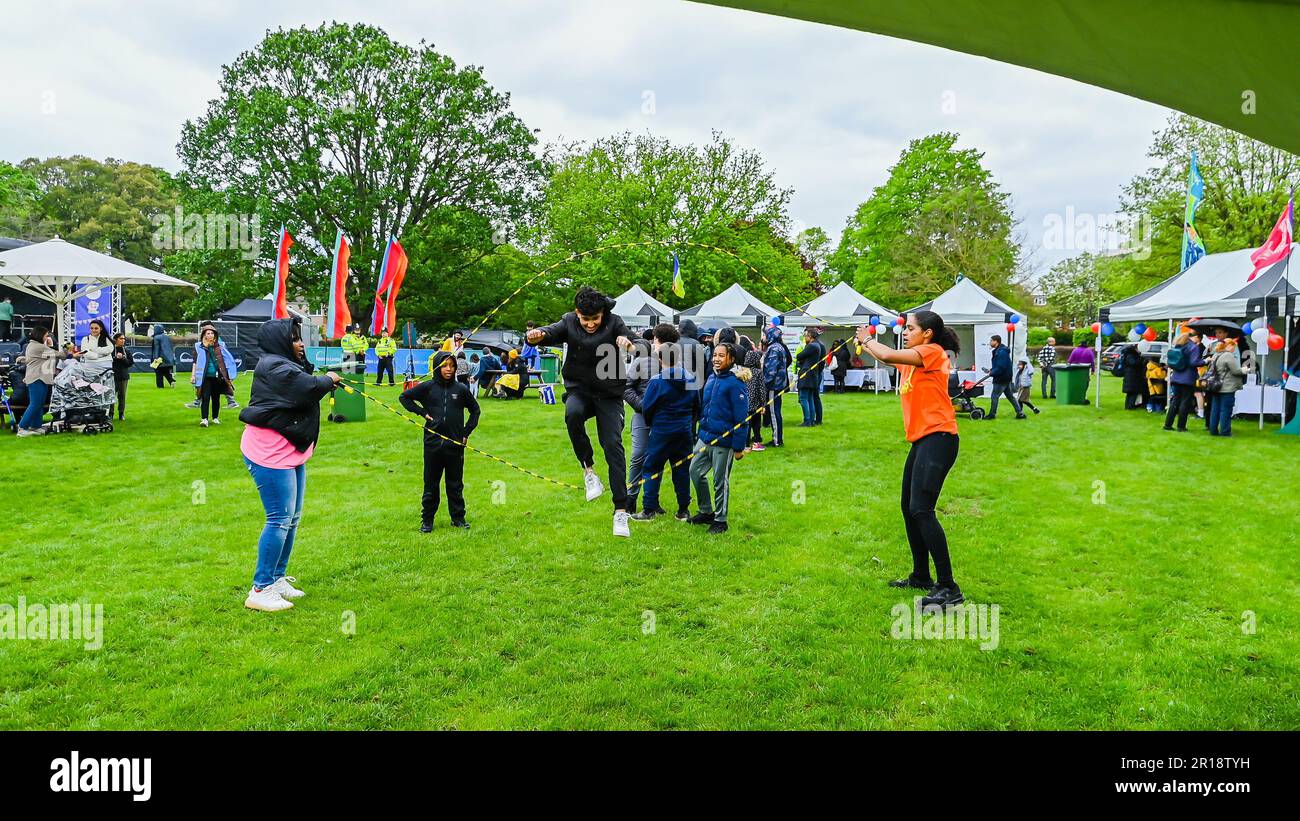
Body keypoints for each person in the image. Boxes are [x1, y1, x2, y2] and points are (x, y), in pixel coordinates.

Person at [855, 312, 964, 609]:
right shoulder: (912, 359)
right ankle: (920, 576)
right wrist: (866, 343)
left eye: (910, 328)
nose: (905, 331)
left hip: (939, 438)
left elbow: (886, 352)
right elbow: (887, 356)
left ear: (927, 333)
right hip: (922, 440)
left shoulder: (932, 352)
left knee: (922, 509)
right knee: (909, 507)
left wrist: (866, 339)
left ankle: (948, 587)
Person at [238, 317, 342, 612]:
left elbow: (304, 378)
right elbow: (308, 387)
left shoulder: (283, 363)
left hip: (290, 449)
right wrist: (330, 378)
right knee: (278, 519)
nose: (300, 344)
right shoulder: (274, 366)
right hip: (269, 452)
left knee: (292, 518)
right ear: (280, 341)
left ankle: (277, 577)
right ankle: (260, 589)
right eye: (295, 339)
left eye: (299, 338)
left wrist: (314, 369)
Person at [526, 286, 635, 537]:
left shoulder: (614, 322)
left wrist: (629, 343)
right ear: (577, 313)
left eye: (595, 319)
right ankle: (589, 471)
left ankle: (620, 511)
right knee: (572, 414)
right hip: (580, 391)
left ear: (602, 313)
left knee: (613, 447)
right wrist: (536, 335)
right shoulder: (569, 321)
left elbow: (639, 342)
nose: (590, 324)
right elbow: (549, 332)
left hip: (609, 395)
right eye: (585, 319)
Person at [400, 350, 480, 531]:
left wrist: (466, 433)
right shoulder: (428, 387)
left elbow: (475, 410)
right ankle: (427, 521)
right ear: (437, 367)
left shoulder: (461, 389)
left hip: (455, 446)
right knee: (431, 484)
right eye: (444, 366)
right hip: (432, 445)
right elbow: (404, 397)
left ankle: (458, 519)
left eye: (452, 365)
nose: (449, 369)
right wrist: (422, 413)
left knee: (455, 484)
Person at [632, 327, 701, 521]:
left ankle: (648, 509)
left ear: (660, 360)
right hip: (684, 430)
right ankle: (683, 509)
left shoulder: (656, 381)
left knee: (652, 468)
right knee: (681, 470)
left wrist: (653, 422)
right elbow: (697, 406)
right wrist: (689, 422)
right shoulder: (691, 378)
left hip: (662, 430)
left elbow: (647, 407)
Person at [687, 342, 749, 534]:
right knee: (695, 472)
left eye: (721, 356)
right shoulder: (711, 378)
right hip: (704, 437)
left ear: (731, 359)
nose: (716, 359)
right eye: (715, 355)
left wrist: (738, 448)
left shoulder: (736, 384)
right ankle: (706, 511)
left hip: (724, 442)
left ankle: (720, 520)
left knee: (720, 481)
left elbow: (741, 419)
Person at [623, 329, 656, 515]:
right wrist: (643, 406)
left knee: (658, 458)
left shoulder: (672, 363)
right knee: (638, 454)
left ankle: (652, 502)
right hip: (642, 415)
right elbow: (626, 389)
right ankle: (631, 498)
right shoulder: (641, 362)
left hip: (664, 418)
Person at [15, 326, 68, 436]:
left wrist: (49, 345)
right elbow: (60, 355)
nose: (47, 337)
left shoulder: (35, 346)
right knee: (35, 404)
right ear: (40, 335)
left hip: (40, 378)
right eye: (46, 335)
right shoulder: (38, 347)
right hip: (36, 378)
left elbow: (49, 357)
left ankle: (36, 426)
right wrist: (67, 349)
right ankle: (22, 427)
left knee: (39, 404)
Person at [185, 321, 240, 410]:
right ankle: (198, 401)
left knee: (223, 385)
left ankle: (231, 402)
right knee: (206, 385)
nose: (203, 330)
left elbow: (224, 358)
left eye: (204, 328)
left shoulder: (219, 342)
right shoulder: (201, 342)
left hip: (217, 371)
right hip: (211, 371)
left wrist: (226, 371)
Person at [192, 326, 238, 427]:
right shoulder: (199, 347)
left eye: (212, 333)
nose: (210, 335)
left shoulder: (220, 346)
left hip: (218, 377)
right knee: (205, 397)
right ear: (204, 335)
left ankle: (215, 418)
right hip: (205, 377)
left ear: (215, 335)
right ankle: (204, 419)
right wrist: (193, 375)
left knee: (216, 398)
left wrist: (229, 375)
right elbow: (195, 362)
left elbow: (227, 360)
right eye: (208, 333)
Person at [1162, 331, 1204, 432]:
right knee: (1185, 402)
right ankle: (1181, 426)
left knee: (1175, 401)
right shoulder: (1193, 347)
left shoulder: (1179, 345)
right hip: (1188, 378)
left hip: (1176, 376)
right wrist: (1204, 361)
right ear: (1197, 337)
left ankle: (1168, 424)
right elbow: (1194, 362)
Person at [1207, 337, 1245, 437]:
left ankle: (1213, 430)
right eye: (1234, 347)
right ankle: (1225, 431)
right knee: (1226, 410)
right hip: (1227, 387)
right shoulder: (1228, 356)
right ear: (1229, 345)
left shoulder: (1216, 355)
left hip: (1215, 386)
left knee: (1215, 410)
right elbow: (1236, 371)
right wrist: (1245, 370)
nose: (1234, 349)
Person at [761, 327, 792, 447]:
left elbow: (771, 370)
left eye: (765, 335)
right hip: (779, 384)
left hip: (774, 386)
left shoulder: (773, 348)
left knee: (774, 413)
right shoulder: (779, 347)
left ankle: (777, 440)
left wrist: (765, 384)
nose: (763, 338)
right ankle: (777, 439)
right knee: (776, 411)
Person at [984, 335, 1025, 420]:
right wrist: (991, 370)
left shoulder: (1001, 352)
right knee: (1010, 396)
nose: (990, 342)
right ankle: (1020, 413)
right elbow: (998, 365)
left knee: (994, 396)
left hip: (1001, 378)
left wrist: (992, 373)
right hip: (1005, 378)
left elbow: (1001, 367)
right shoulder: (999, 351)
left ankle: (992, 414)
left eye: (991, 341)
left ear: (996, 341)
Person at [740, 335, 767, 451]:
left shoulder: (742, 371)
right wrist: (763, 404)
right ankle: (756, 442)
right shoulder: (758, 372)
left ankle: (745, 445)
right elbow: (761, 389)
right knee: (756, 423)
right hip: (756, 403)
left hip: (744, 403)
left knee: (746, 424)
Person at [795, 328, 825, 426]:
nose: (805, 337)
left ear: (810, 336)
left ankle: (807, 420)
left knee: (804, 398)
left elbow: (799, 356)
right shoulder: (818, 346)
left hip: (806, 374)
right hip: (814, 374)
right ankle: (811, 420)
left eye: (806, 336)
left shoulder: (812, 346)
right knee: (810, 398)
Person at [110, 333, 132, 420]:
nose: (123, 340)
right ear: (115, 340)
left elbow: (130, 363)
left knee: (122, 396)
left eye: (124, 339)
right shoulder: (110, 350)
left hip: (123, 376)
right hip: (112, 376)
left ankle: (121, 413)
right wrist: (116, 358)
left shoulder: (126, 351)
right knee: (111, 396)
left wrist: (123, 358)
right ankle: (110, 414)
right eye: (120, 339)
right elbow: (108, 362)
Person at [1119, 344, 1147, 410]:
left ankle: (1128, 406)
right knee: (1133, 392)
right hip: (1132, 376)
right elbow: (1133, 363)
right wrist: (1141, 360)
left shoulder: (1128, 355)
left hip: (1131, 376)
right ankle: (1130, 406)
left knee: (1130, 393)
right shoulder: (1131, 356)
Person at [150, 323, 176, 388]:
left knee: (158, 372)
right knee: (166, 371)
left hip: (160, 358)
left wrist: (155, 359)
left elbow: (156, 349)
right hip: (169, 358)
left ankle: (160, 386)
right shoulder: (168, 337)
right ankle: (171, 381)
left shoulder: (156, 338)